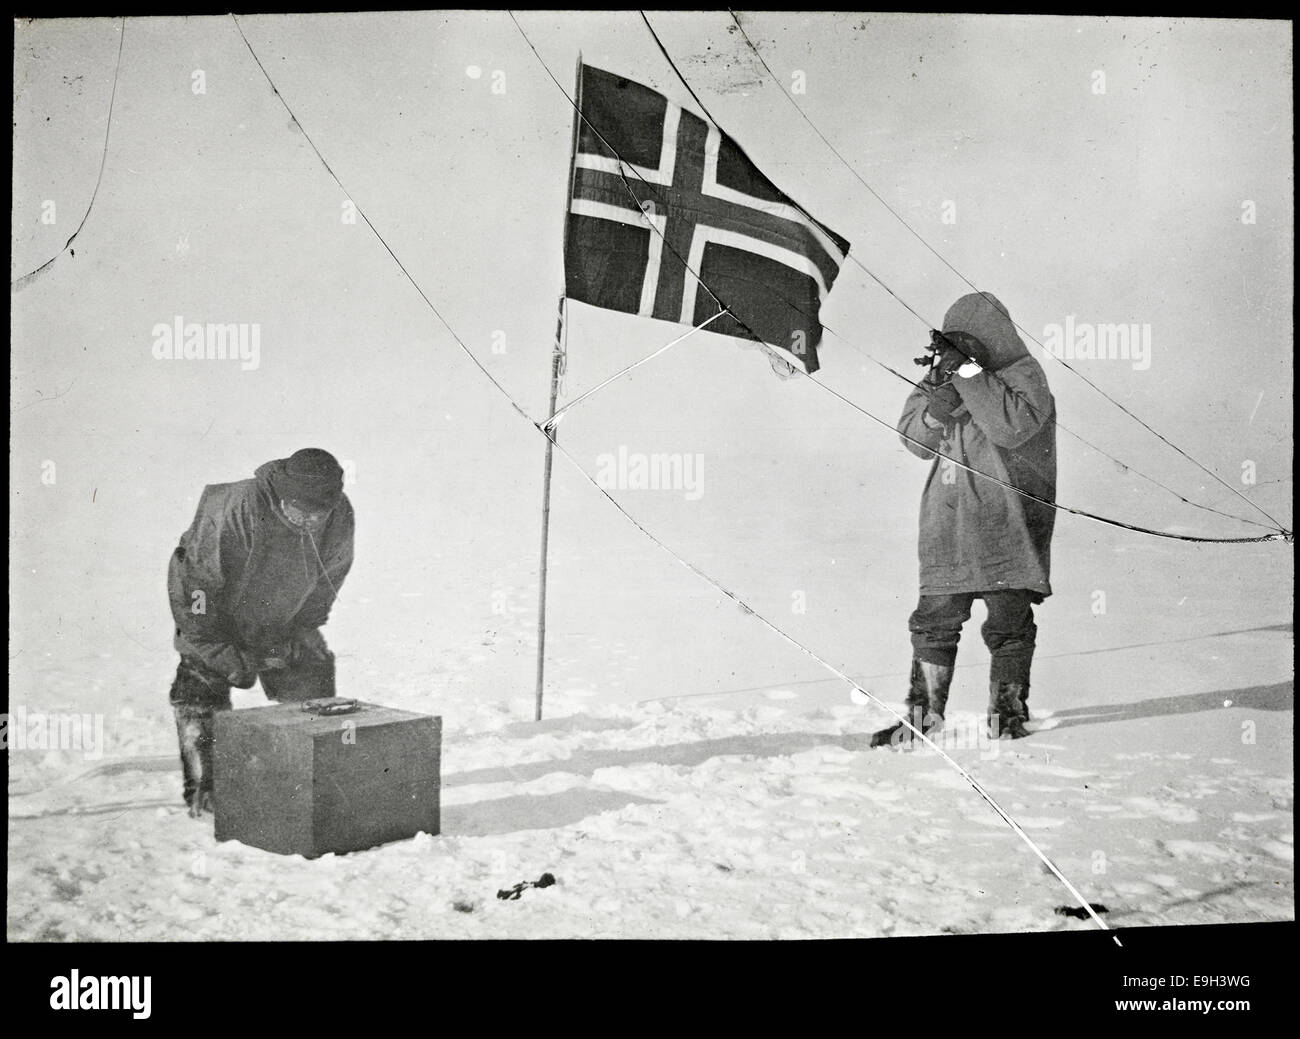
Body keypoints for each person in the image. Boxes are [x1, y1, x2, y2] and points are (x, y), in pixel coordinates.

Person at [872, 293, 1056, 748]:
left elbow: (1012, 426)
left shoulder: (1023, 375)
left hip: (1006, 520)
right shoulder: (942, 377)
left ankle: (1007, 716)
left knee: (1009, 622)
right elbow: (913, 440)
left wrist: (967, 377)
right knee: (934, 621)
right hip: (948, 521)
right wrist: (937, 406)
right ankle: (924, 718)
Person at [166, 448, 354, 815]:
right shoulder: (236, 508)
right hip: (213, 615)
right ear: (283, 495)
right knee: (200, 686)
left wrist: (305, 628)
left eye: (319, 513)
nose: (309, 521)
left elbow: (329, 577)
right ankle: (207, 791)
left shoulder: (338, 514)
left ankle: (305, 777)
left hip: (279, 615)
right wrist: (212, 646)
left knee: (311, 675)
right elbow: (197, 587)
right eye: (301, 510)